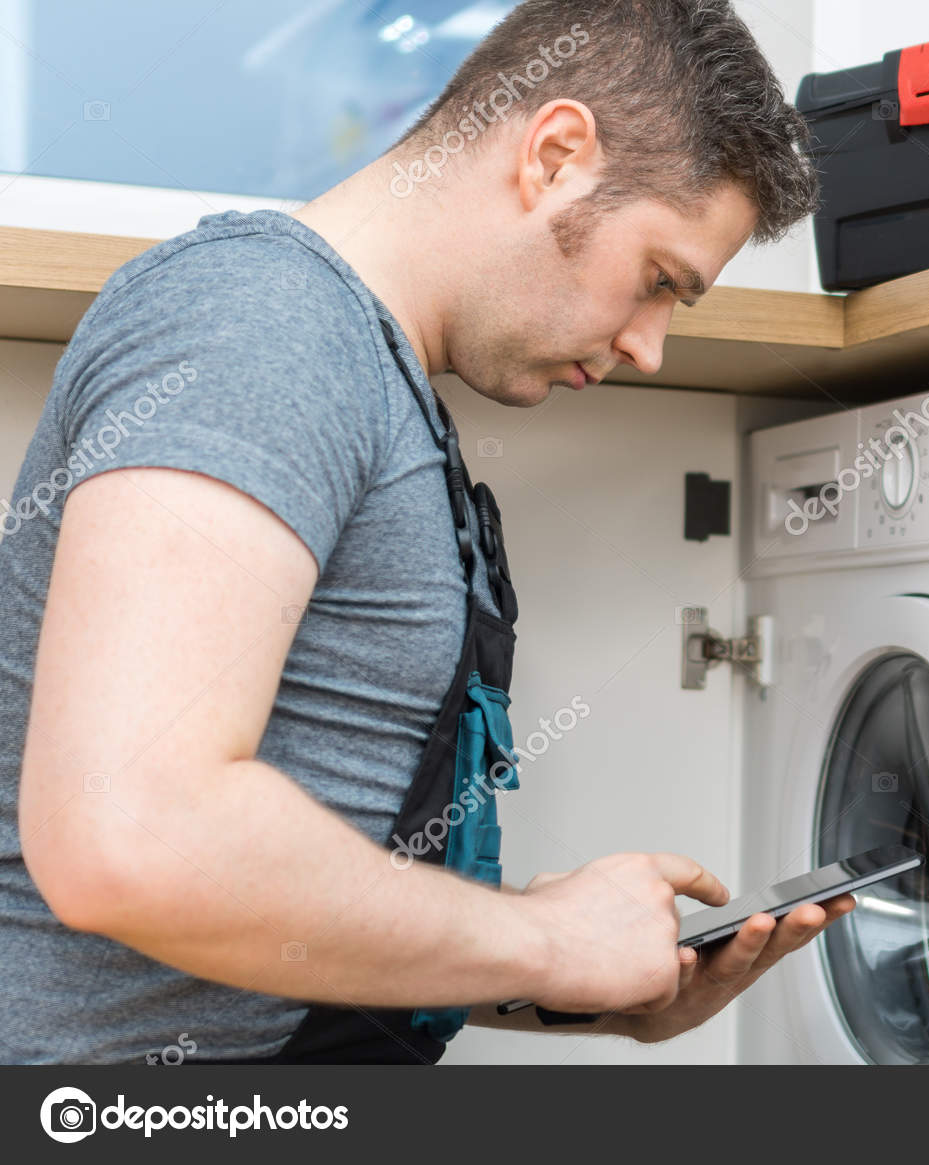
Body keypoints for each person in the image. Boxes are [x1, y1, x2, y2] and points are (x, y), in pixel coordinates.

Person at [0, 0, 851, 1065]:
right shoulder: (262, 326)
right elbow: (129, 836)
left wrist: (565, 973)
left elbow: (272, 904)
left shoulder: (376, 379)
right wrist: (540, 939)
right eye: (659, 281)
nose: (650, 347)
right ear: (555, 155)